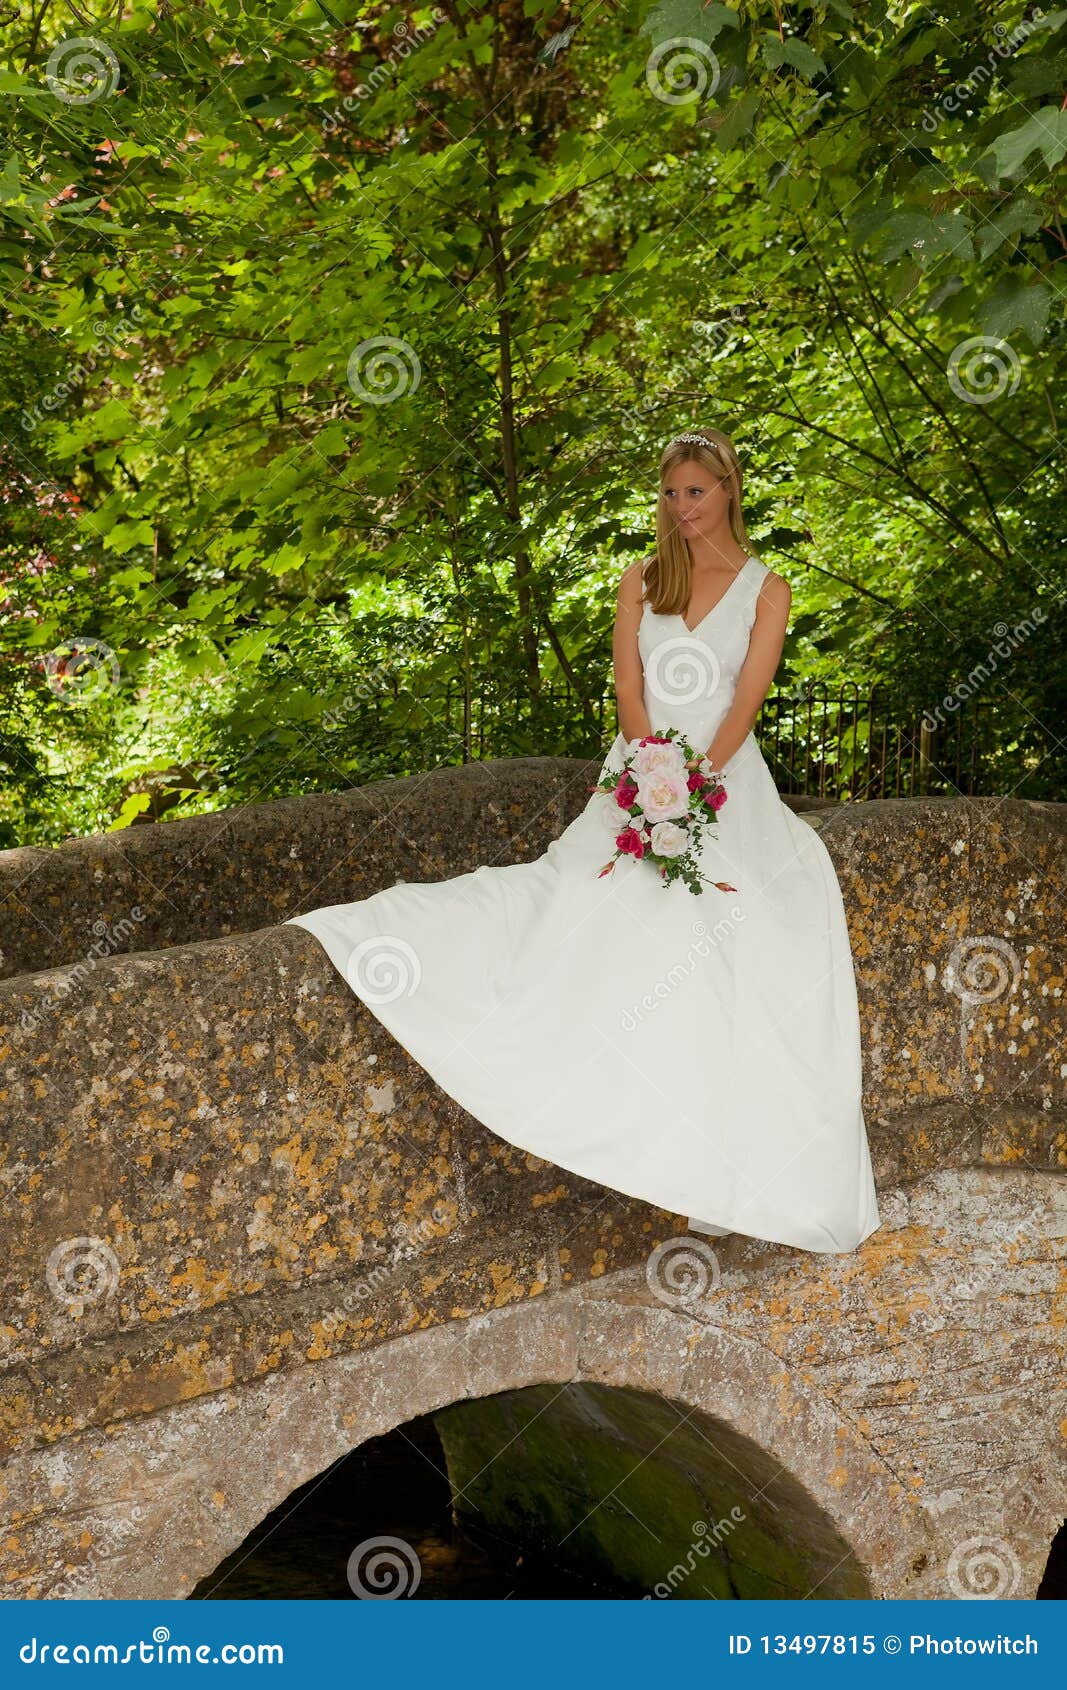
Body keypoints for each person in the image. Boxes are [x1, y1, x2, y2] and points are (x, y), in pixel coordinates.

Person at [285, 428, 881, 1254]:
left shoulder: (765, 590)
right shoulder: (641, 580)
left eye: (696, 493)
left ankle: (709, 1150)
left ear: (727, 491)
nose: (681, 508)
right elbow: (628, 684)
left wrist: (695, 786)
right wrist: (649, 777)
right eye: (670, 494)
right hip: (638, 773)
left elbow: (746, 701)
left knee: (720, 927)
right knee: (573, 900)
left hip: (725, 781)